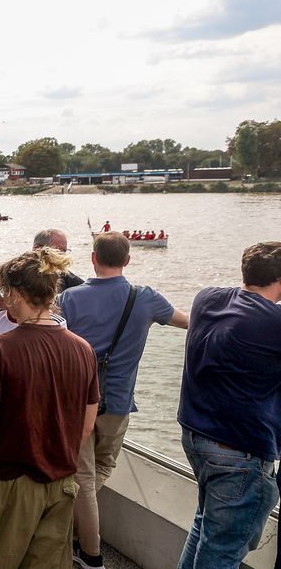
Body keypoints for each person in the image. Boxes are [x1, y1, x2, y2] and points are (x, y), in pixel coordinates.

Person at [0, 249, 99, 568]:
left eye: (2, 291)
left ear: (15, 293)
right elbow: (85, 425)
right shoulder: (83, 349)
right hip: (59, 483)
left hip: (6, 480)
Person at [59, 231, 189, 567]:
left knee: (83, 477)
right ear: (128, 260)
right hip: (118, 403)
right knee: (102, 467)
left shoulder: (70, 298)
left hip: (76, 403)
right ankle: (85, 546)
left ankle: (86, 549)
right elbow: (188, 322)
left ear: (93, 258)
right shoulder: (144, 298)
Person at [175, 242, 281, 569]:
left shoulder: (207, 298)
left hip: (196, 436)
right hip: (239, 451)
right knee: (222, 551)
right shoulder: (273, 323)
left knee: (203, 528)